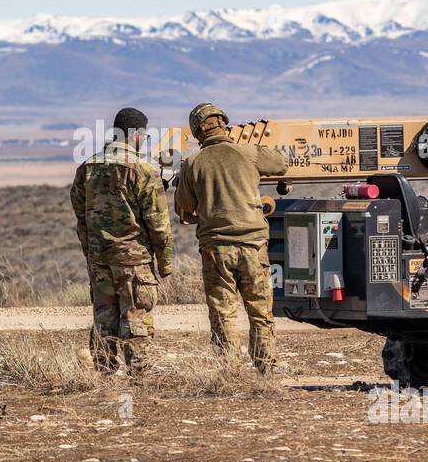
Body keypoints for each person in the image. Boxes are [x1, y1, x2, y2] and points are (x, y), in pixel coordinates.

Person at [175, 102, 288, 373]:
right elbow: (281, 163)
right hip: (252, 246)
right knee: (260, 311)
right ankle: (266, 369)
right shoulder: (248, 153)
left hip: (216, 249)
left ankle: (229, 370)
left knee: (222, 311)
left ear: (198, 131)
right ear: (223, 123)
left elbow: (184, 208)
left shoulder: (192, 164)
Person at [70, 107, 173, 375]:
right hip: (134, 260)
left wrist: (90, 253)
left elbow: (81, 218)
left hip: (100, 259)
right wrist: (166, 264)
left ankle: (103, 377)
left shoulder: (88, 168)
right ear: (137, 135)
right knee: (136, 318)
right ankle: (139, 381)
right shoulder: (143, 171)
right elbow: (158, 224)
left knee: (105, 318)